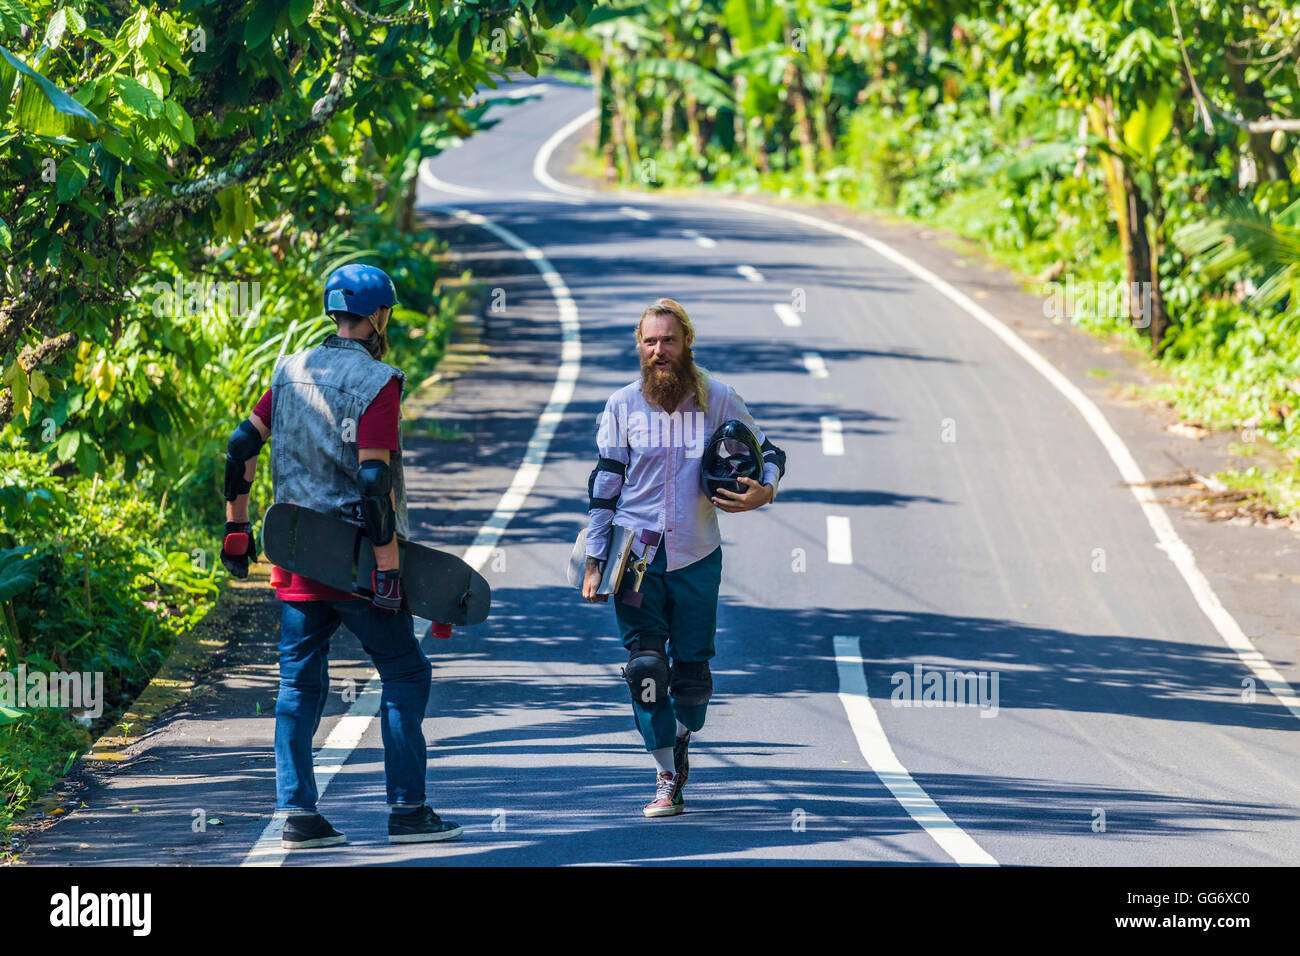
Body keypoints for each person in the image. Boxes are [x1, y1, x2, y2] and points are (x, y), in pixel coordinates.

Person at [218, 263, 462, 849]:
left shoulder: (289, 369)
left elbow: (240, 445)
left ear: (334, 311)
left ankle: (297, 814)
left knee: (299, 685)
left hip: (297, 557)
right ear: (379, 315)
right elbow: (373, 479)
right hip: (355, 562)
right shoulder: (379, 380)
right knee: (406, 672)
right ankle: (407, 811)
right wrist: (388, 569)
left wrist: (237, 530)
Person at [582, 298, 786, 817]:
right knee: (646, 668)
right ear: (640, 348)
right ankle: (666, 776)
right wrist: (593, 557)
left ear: (687, 342)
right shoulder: (623, 405)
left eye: (668, 340)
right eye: (649, 342)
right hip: (634, 556)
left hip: (697, 551)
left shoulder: (718, 399)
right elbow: (605, 486)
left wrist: (765, 491)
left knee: (691, 685)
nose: (659, 351)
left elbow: (771, 453)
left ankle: (679, 737)